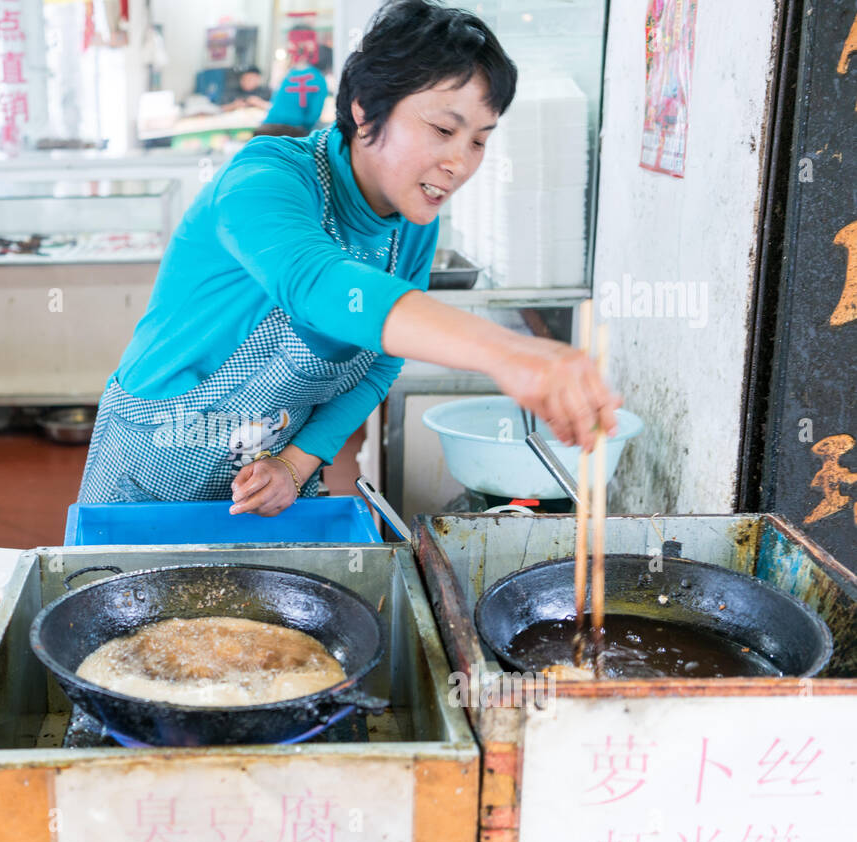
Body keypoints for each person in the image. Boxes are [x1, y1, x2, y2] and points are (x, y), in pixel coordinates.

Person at [78, 0, 620, 517]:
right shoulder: (263, 182)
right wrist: (509, 354)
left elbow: (380, 365)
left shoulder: (410, 222)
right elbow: (320, 285)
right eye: (442, 130)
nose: (460, 162)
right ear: (365, 112)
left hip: (269, 476)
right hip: (150, 468)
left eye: (479, 140)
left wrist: (297, 462)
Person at [254, 50, 328, 137]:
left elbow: (274, 102)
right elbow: (313, 115)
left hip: (266, 129)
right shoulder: (319, 79)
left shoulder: (289, 74)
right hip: (293, 132)